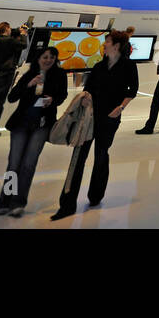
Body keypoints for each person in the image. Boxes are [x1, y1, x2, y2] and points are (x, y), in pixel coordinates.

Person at [52, 30, 137, 220]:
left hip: (110, 119)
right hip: (89, 119)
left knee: (101, 155)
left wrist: (120, 108)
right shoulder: (99, 66)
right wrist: (85, 99)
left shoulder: (128, 66)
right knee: (78, 157)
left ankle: (96, 195)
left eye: (107, 41)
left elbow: (133, 89)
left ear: (116, 45)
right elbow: (88, 88)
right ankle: (67, 204)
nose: (104, 44)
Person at [0, 44, 67, 216]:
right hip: (21, 124)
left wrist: (53, 100)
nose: (49, 60)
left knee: (29, 164)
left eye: (52, 57)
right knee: (14, 164)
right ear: (38, 59)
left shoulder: (60, 75)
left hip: (42, 125)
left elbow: (62, 95)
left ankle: (18, 202)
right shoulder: (29, 74)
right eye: (45, 57)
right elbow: (12, 97)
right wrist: (28, 84)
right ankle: (5, 201)